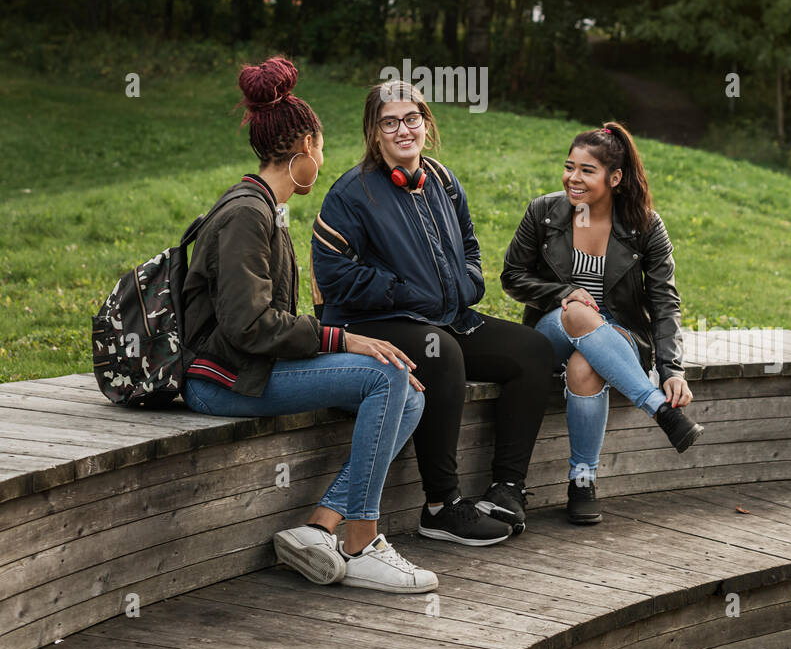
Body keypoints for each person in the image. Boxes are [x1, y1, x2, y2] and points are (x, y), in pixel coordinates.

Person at [181, 55, 437, 593]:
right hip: (222, 379)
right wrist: (341, 339)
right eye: (319, 151)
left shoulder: (263, 208)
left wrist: (338, 341)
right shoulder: (245, 214)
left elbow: (263, 319)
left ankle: (321, 526)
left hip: (252, 365)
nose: (321, 163)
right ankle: (362, 540)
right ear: (301, 153)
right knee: (385, 374)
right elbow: (248, 326)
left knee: (407, 393)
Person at [310, 79, 557, 546]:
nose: (403, 130)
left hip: (445, 316)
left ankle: (506, 488)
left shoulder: (442, 180)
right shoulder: (350, 195)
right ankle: (440, 506)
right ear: (374, 132)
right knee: (442, 354)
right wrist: (405, 293)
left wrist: (466, 284)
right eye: (390, 122)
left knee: (533, 351)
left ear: (426, 122)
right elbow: (334, 274)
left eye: (412, 118)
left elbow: (469, 247)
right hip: (370, 323)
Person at [501, 120, 704, 525]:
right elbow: (512, 276)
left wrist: (672, 368)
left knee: (585, 367)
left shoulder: (645, 225)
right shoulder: (544, 213)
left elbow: (665, 301)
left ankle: (582, 480)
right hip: (553, 330)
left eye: (586, 170)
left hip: (620, 335)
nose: (573, 178)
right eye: (569, 167)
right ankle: (659, 410)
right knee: (577, 311)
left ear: (615, 178)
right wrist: (561, 294)